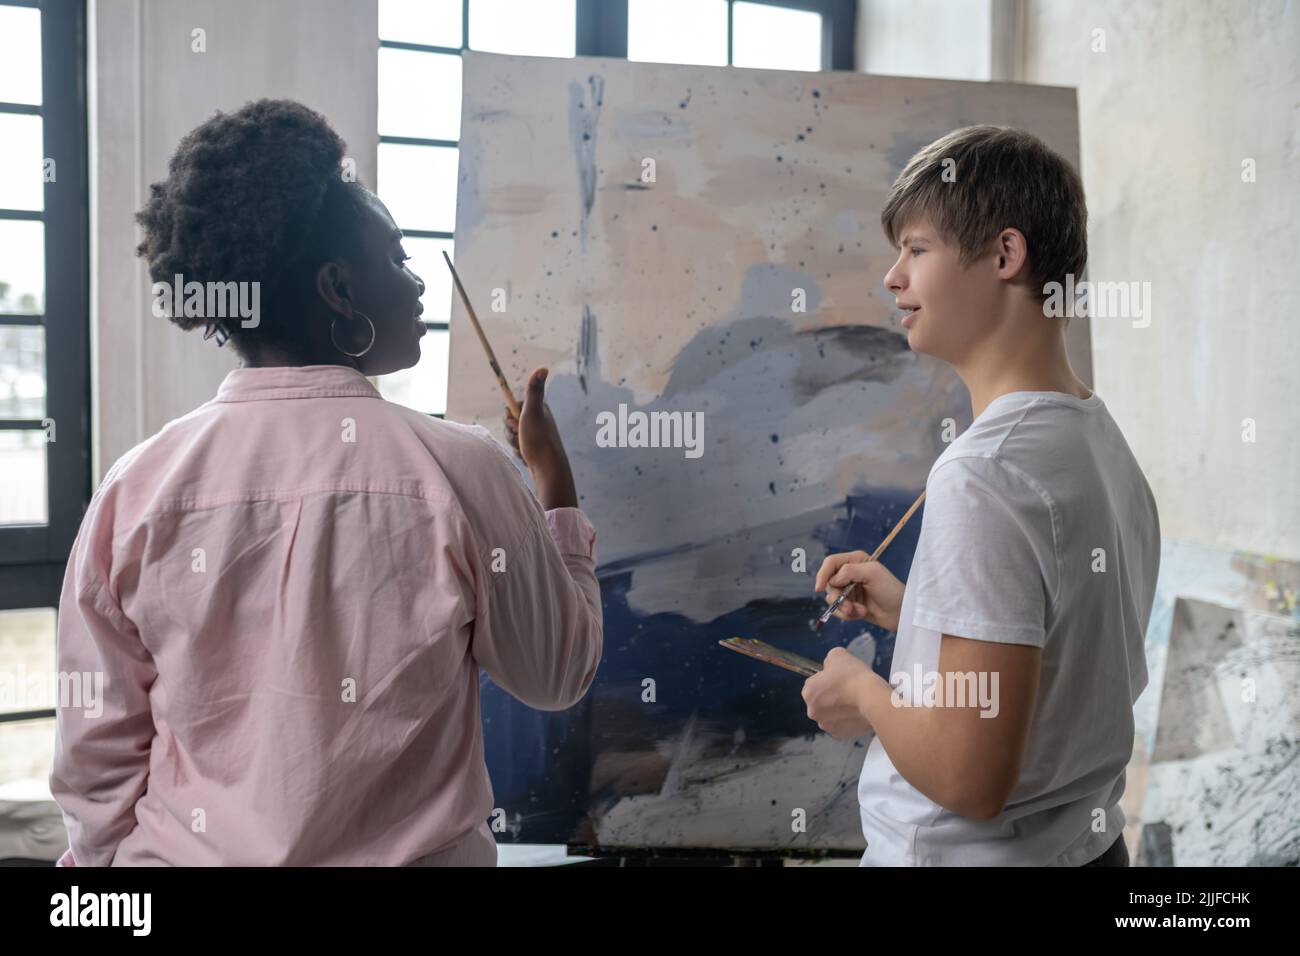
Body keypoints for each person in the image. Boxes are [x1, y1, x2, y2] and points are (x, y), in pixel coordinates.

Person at [50, 99, 602, 866]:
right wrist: (555, 488)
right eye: (398, 259)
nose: (415, 286)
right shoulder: (461, 469)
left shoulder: (136, 489)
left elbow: (96, 758)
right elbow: (555, 671)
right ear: (340, 289)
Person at [802, 126, 1159, 866]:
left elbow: (971, 777)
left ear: (1004, 255)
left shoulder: (985, 474)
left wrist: (864, 692)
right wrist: (919, 610)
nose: (893, 277)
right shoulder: (1098, 440)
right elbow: (1059, 651)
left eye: (917, 249)